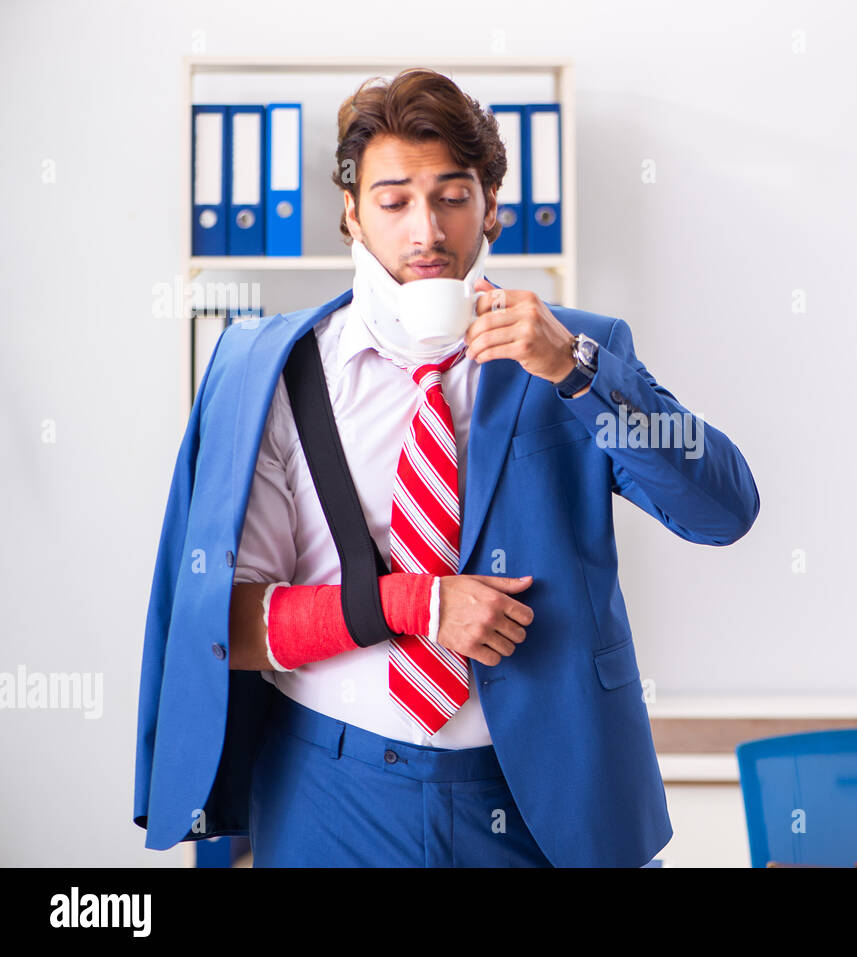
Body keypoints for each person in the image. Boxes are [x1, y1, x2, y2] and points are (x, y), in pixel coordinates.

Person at [134, 67, 760, 867]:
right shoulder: (273, 370)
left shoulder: (578, 351)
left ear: (491, 205)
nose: (426, 229)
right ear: (353, 218)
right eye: (394, 201)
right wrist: (417, 604)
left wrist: (578, 372)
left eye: (452, 196)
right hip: (331, 791)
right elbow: (232, 626)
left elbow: (723, 509)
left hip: (546, 798)